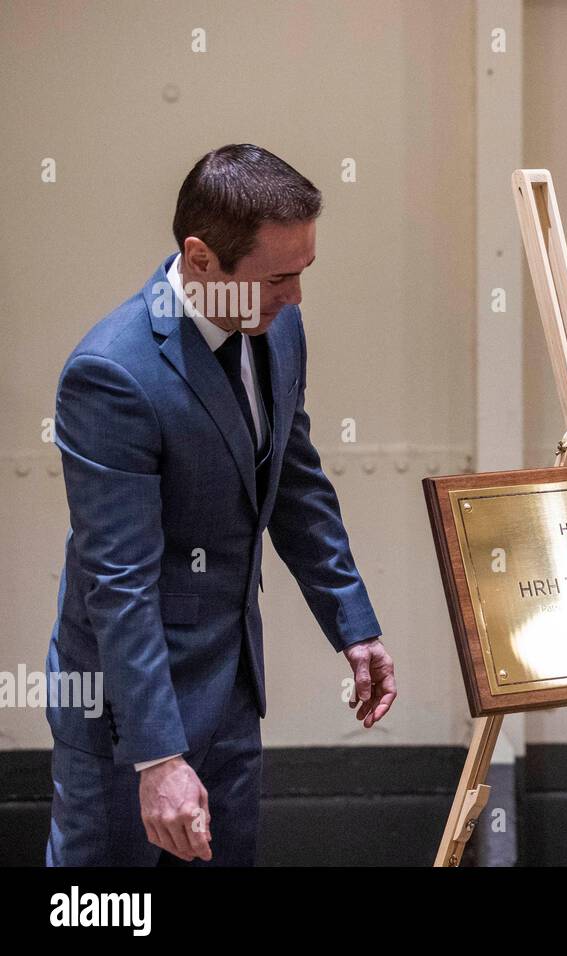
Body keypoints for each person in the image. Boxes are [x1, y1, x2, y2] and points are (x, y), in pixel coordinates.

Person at [44, 144, 397, 865]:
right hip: (126, 707)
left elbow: (293, 480)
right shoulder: (111, 375)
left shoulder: (275, 325)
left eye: (303, 272)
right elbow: (119, 583)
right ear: (201, 258)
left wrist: (352, 624)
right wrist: (157, 759)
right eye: (278, 278)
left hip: (232, 683)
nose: (295, 296)